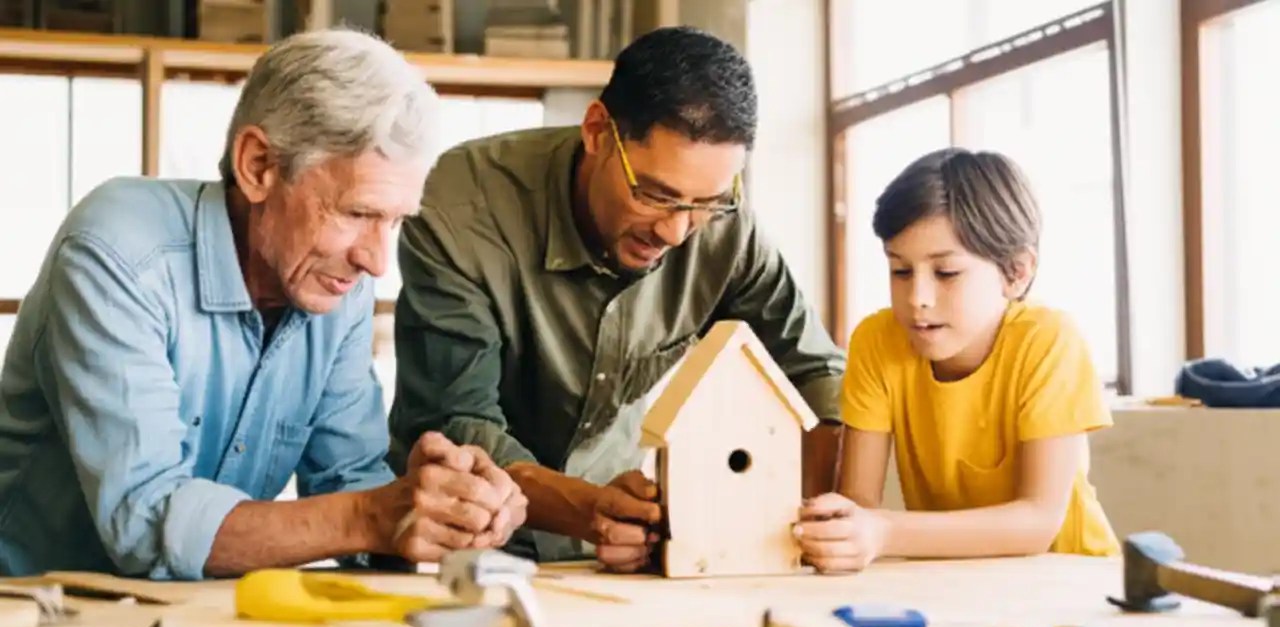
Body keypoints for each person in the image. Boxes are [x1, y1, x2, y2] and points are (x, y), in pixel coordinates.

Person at [0, 29, 526, 580]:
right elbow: (144, 522)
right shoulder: (121, 250)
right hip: (32, 613)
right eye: (356, 212)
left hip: (195, 619)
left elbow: (352, 485)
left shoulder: (335, 285)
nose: (375, 261)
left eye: (395, 221)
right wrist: (376, 513)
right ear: (257, 166)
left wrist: (442, 509)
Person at [390, 26, 845, 572]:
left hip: (621, 549)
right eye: (655, 194)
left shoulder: (725, 228)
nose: (677, 232)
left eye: (707, 202)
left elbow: (819, 375)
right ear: (597, 130)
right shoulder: (461, 205)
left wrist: (834, 517)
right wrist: (589, 510)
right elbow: (458, 419)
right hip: (462, 541)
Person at [793, 148, 1120, 574]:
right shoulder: (876, 341)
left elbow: (1038, 523)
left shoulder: (1049, 341)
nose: (918, 299)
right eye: (900, 271)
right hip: (954, 581)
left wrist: (885, 532)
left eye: (946, 273)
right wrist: (838, 534)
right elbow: (860, 505)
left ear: (1017, 272)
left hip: (1070, 576)